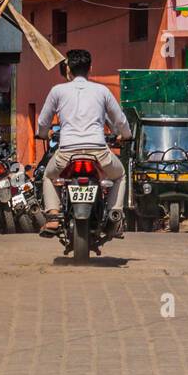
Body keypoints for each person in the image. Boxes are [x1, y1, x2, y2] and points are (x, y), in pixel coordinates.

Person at [36, 48, 131, 237]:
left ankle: (53, 217)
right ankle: (114, 215)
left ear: (68, 69)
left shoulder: (57, 91)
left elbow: (43, 122)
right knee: (120, 175)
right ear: (90, 68)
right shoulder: (102, 91)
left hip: (66, 153)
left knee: (48, 176)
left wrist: (43, 134)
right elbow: (120, 120)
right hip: (98, 152)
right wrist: (125, 135)